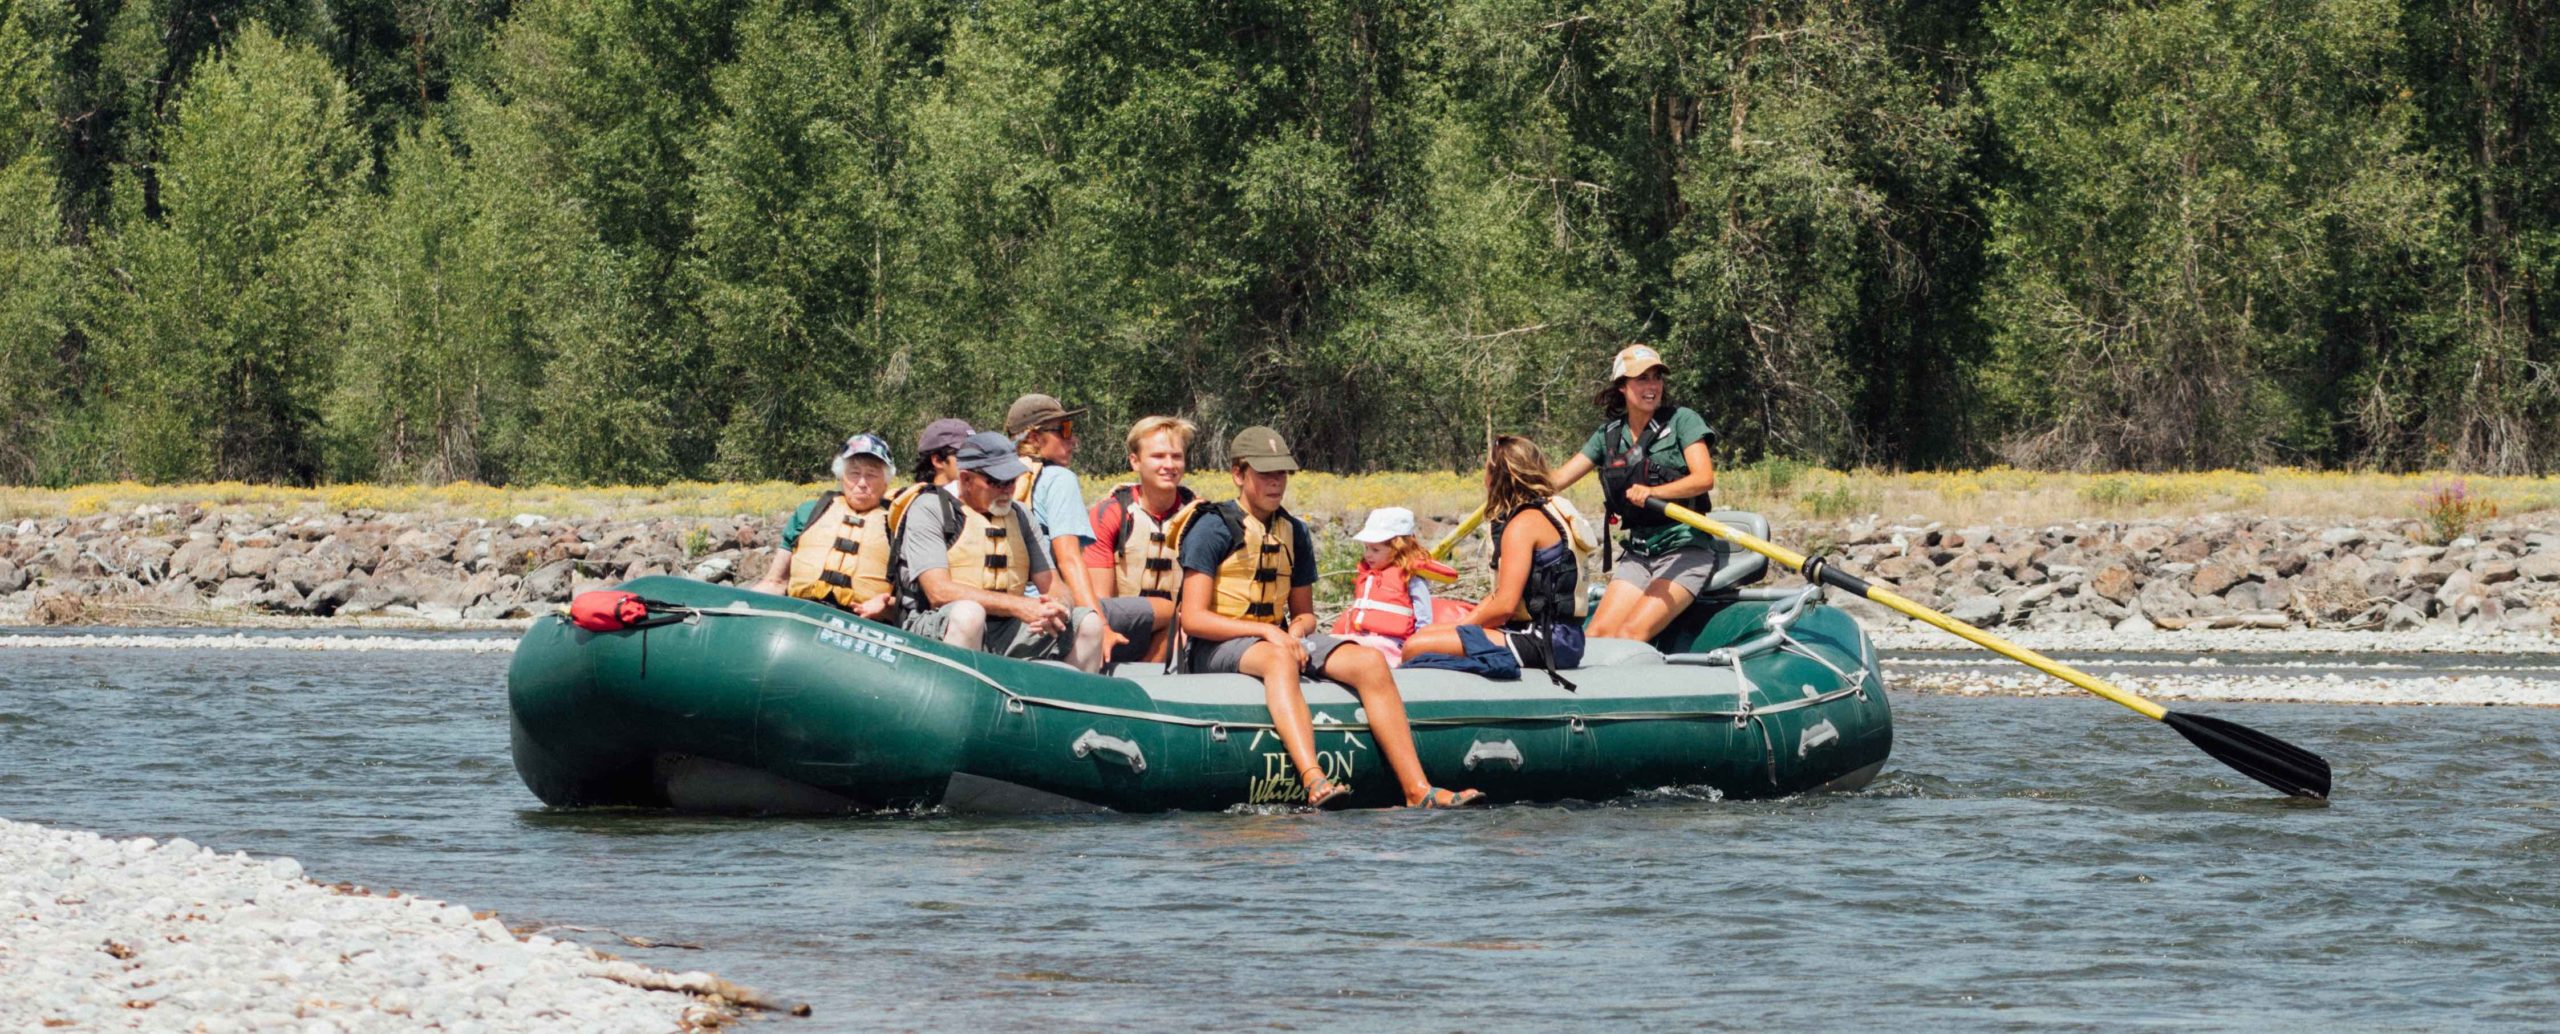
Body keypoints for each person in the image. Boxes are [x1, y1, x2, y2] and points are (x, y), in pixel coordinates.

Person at [1175, 426, 1481, 809]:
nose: (1276, 483)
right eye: (1265, 473)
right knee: (1279, 656)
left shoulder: (1294, 532)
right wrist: (1271, 635)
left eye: (1282, 473)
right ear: (1239, 474)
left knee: (1368, 661)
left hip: (1274, 639)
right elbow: (1195, 619)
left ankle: (1417, 789)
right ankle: (1313, 777)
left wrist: (1293, 631)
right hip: (1215, 646)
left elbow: (1305, 615)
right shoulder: (1212, 528)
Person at [1546, 344, 1717, 643]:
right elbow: (1558, 479)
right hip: (1639, 554)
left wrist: (1654, 491)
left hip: (1685, 549)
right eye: (1642, 379)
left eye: (1657, 378)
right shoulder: (1608, 435)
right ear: (1622, 387)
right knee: (1597, 635)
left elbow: (1704, 478)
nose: (1652, 386)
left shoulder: (1682, 420)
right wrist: (1514, 481)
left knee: (1630, 633)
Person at [895, 431, 1107, 672]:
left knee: (1088, 624)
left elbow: (1054, 585)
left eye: (1012, 481)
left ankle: (1063, 706)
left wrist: (1058, 607)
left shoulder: (1021, 515)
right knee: (969, 614)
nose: (1007, 490)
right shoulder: (930, 509)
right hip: (941, 624)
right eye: (996, 482)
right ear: (966, 479)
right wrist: (1019, 606)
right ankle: (959, 702)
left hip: (1007, 629)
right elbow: (938, 592)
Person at [1403, 435, 1587, 683]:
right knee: (1426, 634)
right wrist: (1460, 625)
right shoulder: (1545, 512)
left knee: (1416, 647)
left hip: (1546, 641)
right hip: (1563, 637)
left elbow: (1504, 606)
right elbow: (1502, 598)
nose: (1483, 481)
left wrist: (1460, 628)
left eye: (1486, 472)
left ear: (1498, 477)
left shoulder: (1522, 524)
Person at [1003, 394, 1126, 659]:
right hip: (1048, 608)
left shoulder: (999, 479)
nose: (1073, 440)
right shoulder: (1059, 479)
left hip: (1008, 609)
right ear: (1034, 438)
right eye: (1064, 430)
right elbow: (1069, 559)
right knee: (1161, 611)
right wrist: (1103, 627)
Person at [1084, 415, 1203, 664]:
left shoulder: (1200, 516)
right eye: (1158, 457)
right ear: (1135, 462)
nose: (1169, 465)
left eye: (1177, 456)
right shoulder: (1111, 513)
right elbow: (1101, 602)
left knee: (1181, 620)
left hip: (1179, 635)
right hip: (1123, 629)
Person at [747, 434, 900, 619]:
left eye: (871, 475)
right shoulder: (809, 512)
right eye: (854, 473)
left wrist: (888, 607)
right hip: (803, 612)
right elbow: (775, 582)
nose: (861, 483)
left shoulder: (898, 525)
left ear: (886, 482)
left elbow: (910, 604)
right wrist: (742, 605)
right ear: (841, 476)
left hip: (860, 623)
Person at [1329, 507, 1456, 666]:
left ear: (1398, 550)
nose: (1368, 554)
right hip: (1365, 639)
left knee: (1344, 650)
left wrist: (1418, 649)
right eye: (1367, 548)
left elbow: (1424, 620)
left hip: (1392, 646)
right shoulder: (1370, 575)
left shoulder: (1412, 578)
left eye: (1375, 550)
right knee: (1329, 644)